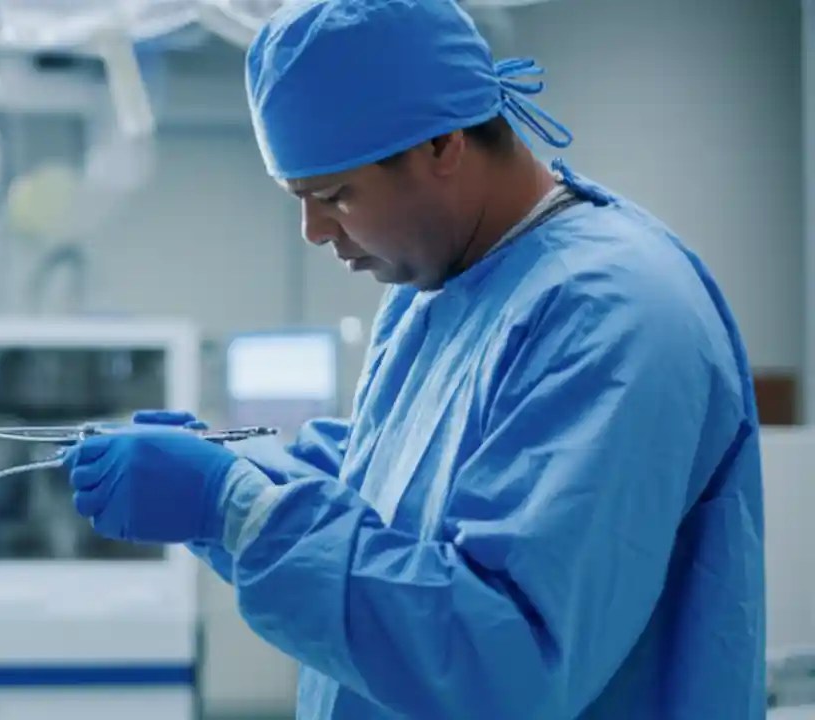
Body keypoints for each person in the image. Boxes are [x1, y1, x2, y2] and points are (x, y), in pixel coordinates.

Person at [62, 0, 766, 717]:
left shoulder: (612, 314)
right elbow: (383, 493)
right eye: (298, 198)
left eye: (334, 196)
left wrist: (234, 506)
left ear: (443, 146)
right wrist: (226, 468)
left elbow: (501, 661)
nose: (312, 231)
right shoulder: (439, 287)